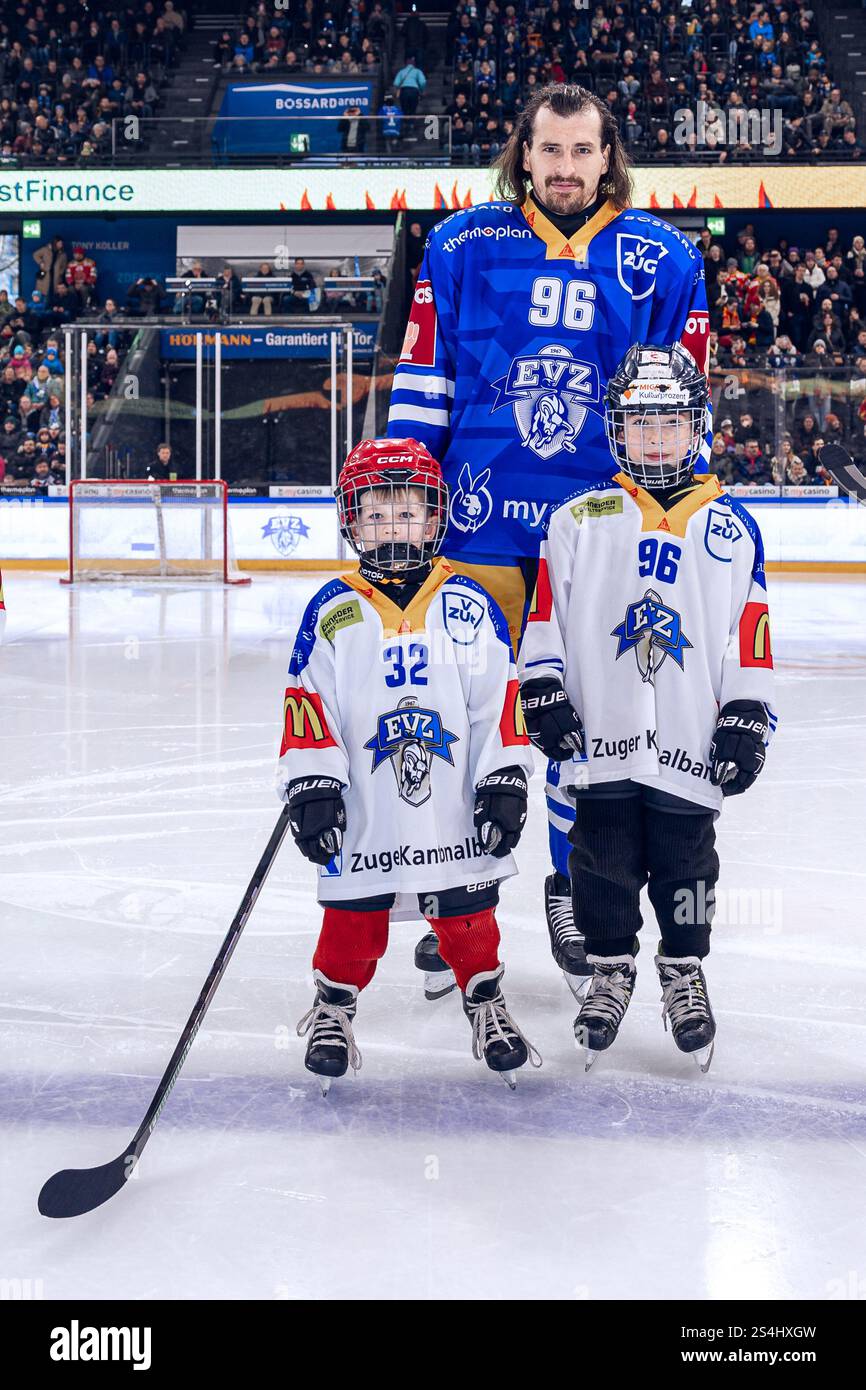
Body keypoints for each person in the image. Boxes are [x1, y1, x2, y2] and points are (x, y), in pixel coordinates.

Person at [386, 82, 711, 997]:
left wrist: (676, 518)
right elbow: (425, 380)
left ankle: (574, 891)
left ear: (609, 157)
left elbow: (682, 406)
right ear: (522, 154)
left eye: (582, 150)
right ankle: (463, 897)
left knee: (587, 727)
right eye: (550, 150)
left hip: (595, 538)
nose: (566, 168)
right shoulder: (461, 244)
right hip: (477, 528)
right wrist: (405, 505)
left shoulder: (664, 257)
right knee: (467, 720)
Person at [518, 343, 776, 1071]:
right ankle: (609, 968)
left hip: (690, 738)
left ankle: (684, 969)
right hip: (602, 734)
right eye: (640, 422)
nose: (655, 437)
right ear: (616, 429)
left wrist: (746, 713)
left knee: (688, 864)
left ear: (697, 426)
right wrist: (542, 686)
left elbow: (749, 633)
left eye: (669, 421)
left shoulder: (731, 527)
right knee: (600, 861)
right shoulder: (578, 520)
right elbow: (547, 618)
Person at [276, 437, 539, 1090]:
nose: (392, 527)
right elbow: (309, 704)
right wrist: (313, 785)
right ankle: (335, 1006)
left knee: (466, 908)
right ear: (352, 519)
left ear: (432, 518)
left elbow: (498, 702)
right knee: (353, 912)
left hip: (450, 799)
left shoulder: (467, 603)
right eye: (376, 513)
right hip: (366, 799)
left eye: (406, 512)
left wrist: (503, 778)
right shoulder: (333, 610)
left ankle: (485, 998)